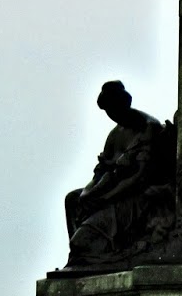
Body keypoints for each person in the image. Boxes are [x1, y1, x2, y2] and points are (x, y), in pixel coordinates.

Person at [64, 80, 175, 262]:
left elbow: (139, 177)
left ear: (125, 104)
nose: (112, 115)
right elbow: (100, 173)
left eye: (114, 109)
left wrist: (104, 198)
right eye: (108, 111)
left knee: (81, 241)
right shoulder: (115, 134)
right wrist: (87, 194)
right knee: (72, 200)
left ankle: (105, 254)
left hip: (135, 197)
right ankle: (82, 255)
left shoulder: (147, 128)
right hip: (113, 193)